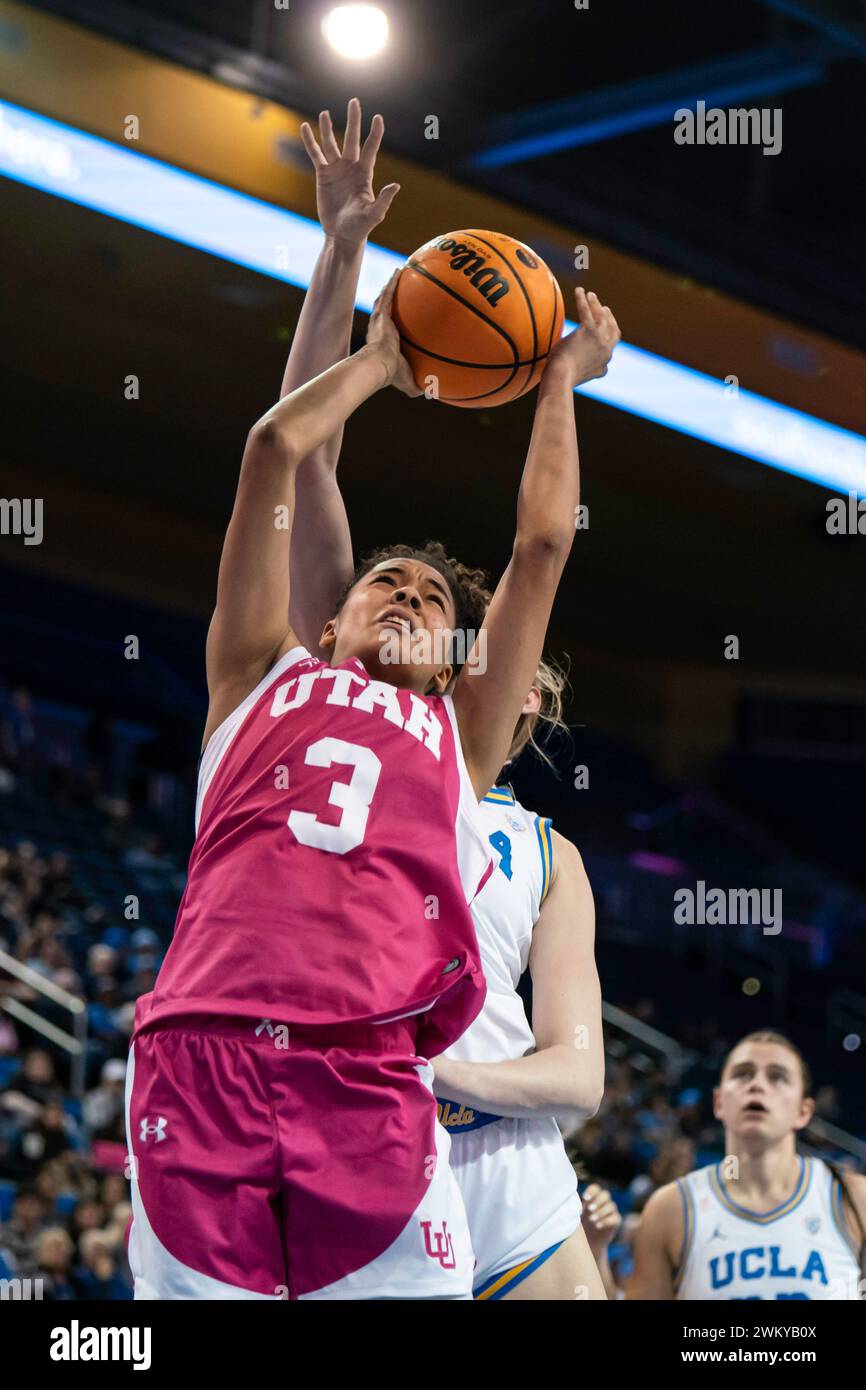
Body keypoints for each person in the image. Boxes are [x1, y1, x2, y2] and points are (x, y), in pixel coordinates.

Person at [125, 99, 619, 1301]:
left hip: (367, 1077)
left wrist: (559, 381)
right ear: (326, 618)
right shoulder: (264, 673)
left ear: (454, 660)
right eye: (378, 582)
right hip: (202, 1047)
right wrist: (346, 263)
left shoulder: (456, 737)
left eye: (426, 598)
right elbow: (284, 453)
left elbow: (541, 545)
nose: (400, 594)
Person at [429, 661, 605, 1299]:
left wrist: (432, 1074)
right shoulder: (366, 787)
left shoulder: (552, 855)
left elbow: (579, 1078)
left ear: (526, 698)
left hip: (515, 1188)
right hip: (367, 1157)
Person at [626, 1031, 866, 1300]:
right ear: (719, 1102)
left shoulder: (855, 1199)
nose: (757, 1085)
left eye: (777, 1077)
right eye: (743, 1074)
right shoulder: (670, 1209)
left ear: (803, 1111)